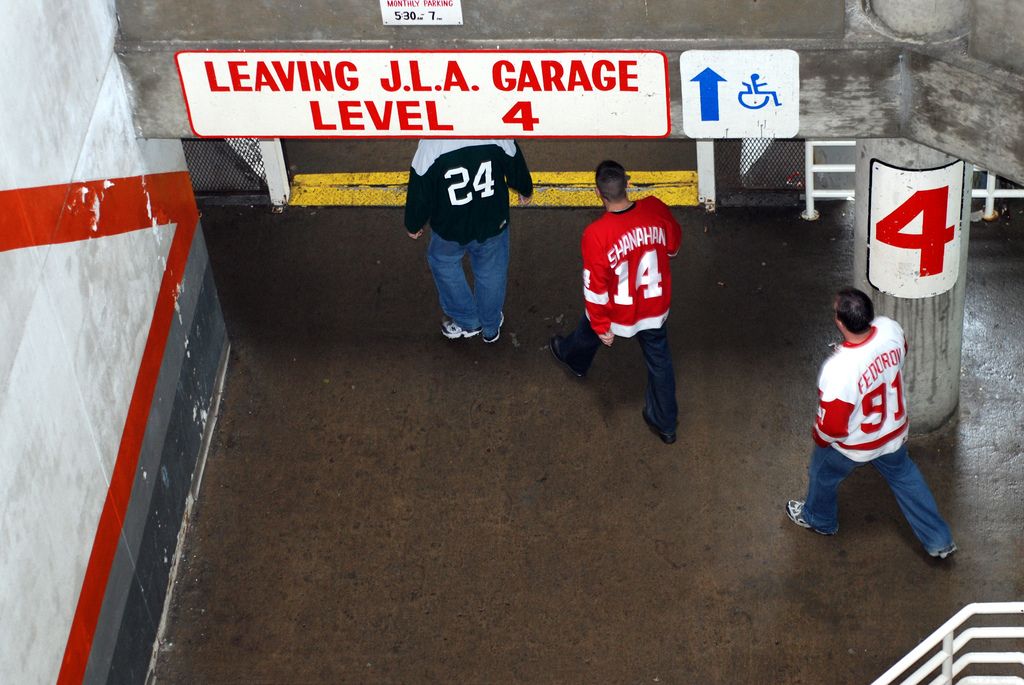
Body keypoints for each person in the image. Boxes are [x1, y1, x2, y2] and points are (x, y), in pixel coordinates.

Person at [786, 287, 957, 559]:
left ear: (840, 323)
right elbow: (902, 352)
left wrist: (819, 439)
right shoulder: (890, 329)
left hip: (854, 447)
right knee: (905, 477)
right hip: (893, 434)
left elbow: (831, 428)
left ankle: (820, 519)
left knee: (822, 472)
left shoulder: (839, 370)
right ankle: (940, 541)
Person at [549, 160, 682, 444]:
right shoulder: (655, 207)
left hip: (616, 311)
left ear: (598, 193)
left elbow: (595, 288)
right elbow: (673, 247)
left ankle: (574, 358)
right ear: (628, 183)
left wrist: (601, 326)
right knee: (660, 361)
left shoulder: (596, 234)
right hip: (653, 307)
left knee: (591, 323)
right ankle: (666, 424)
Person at [404, 139, 533, 343]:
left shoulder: (431, 144)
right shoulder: (496, 133)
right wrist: (525, 189)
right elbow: (515, 164)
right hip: (492, 221)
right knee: (491, 272)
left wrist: (413, 224)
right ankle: (490, 326)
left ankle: (467, 321)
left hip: (449, 227)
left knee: (443, 263)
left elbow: (420, 191)